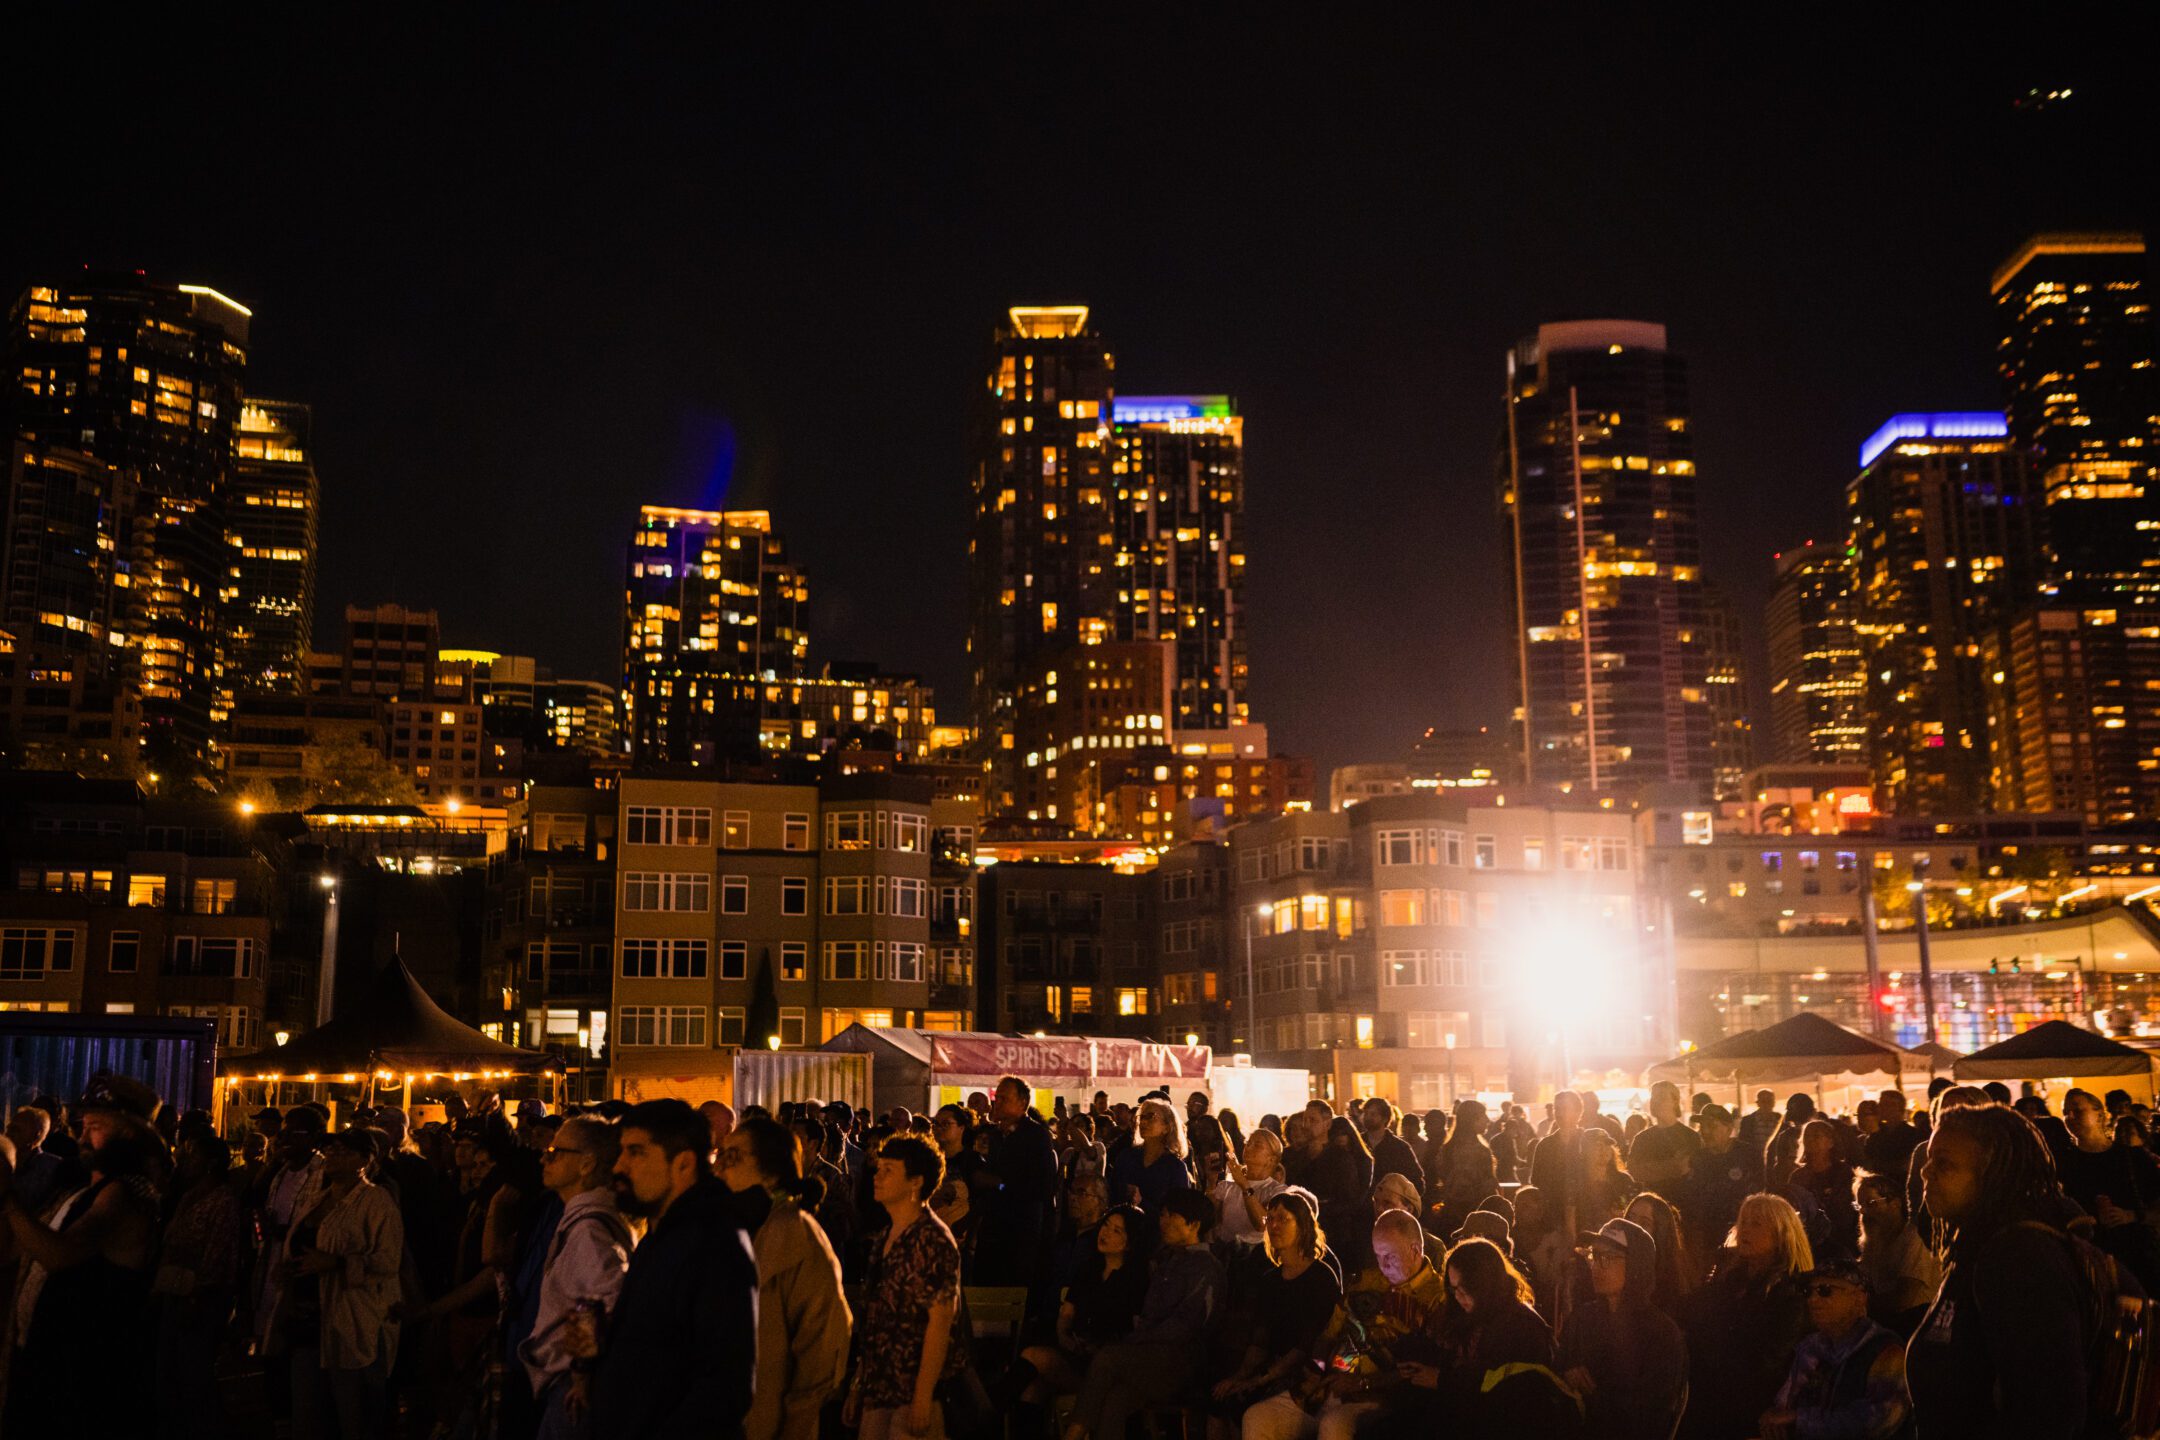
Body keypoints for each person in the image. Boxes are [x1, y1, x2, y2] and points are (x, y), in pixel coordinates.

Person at [1906, 1102, 2095, 1438]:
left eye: (1944, 1164)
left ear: (1994, 1176)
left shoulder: (2018, 1261)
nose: (1925, 1171)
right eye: (1929, 1159)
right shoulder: (1975, 1248)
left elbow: (2049, 1413)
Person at [578, 1098, 757, 1439]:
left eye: (636, 1153)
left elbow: (725, 1386)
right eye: (621, 1153)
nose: (619, 1167)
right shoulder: (660, 1237)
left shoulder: (715, 1244)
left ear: (684, 1165)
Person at [1, 1073, 164, 1431]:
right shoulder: (80, 1191)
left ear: (130, 1135)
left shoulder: (124, 1195)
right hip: (51, 1367)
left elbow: (61, 1255)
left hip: (87, 1377)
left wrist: (8, 1199)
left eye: (98, 1127)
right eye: (84, 1125)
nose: (83, 1137)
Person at [1241, 1208, 1448, 1440]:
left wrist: (1361, 1383)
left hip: (1378, 1397)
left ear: (1414, 1250)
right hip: (1325, 1386)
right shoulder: (1365, 1282)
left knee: (1334, 1426)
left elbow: (1419, 1371)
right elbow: (1329, 1334)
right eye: (1377, 1256)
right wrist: (1318, 1366)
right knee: (1257, 1417)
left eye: (1389, 1256)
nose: (1382, 1265)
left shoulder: (1436, 1298)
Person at [720, 1115, 852, 1440]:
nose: (720, 1166)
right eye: (720, 1154)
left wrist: (797, 1422)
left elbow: (823, 1347)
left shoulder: (796, 1235)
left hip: (770, 1422)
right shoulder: (730, 1230)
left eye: (733, 1156)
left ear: (771, 1173)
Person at [270, 1126, 406, 1440]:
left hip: (350, 1320)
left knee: (351, 1413)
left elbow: (388, 1260)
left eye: (344, 1151)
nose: (333, 1156)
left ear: (365, 1160)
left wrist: (339, 1263)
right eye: (331, 1150)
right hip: (307, 1320)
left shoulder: (377, 1201)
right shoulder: (317, 1199)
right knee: (306, 1411)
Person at [1064, 1186, 1226, 1440]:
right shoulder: (1167, 1261)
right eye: (1162, 1215)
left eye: (1171, 1216)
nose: (1163, 1222)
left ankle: (1074, 1433)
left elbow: (1184, 1327)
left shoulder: (1205, 1267)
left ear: (1194, 1224)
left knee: (1109, 1358)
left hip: (1180, 1361)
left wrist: (1134, 1339)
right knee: (1115, 1400)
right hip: (1150, 1356)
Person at [847, 1135, 970, 1440]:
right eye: (879, 1168)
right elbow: (876, 1317)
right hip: (880, 1384)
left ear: (915, 1182)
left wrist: (923, 1397)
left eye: (889, 1170)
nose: (878, 1176)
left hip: (913, 1386)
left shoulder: (933, 1240)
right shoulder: (886, 1237)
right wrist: (859, 1384)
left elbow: (940, 1323)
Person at [518, 1115, 632, 1440]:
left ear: (586, 1164)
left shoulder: (588, 1231)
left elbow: (605, 1297)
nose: (544, 1156)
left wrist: (583, 1369)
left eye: (555, 1151)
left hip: (573, 1388)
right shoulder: (586, 1221)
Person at [1680, 1192, 1812, 1440]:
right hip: (1711, 1403)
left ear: (1781, 1232)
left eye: (1756, 1223)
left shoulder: (1791, 1293)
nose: (1745, 1230)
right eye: (1743, 1222)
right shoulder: (1729, 1280)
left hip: (1755, 1410)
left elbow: (1768, 1361)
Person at [1212, 1190, 1341, 1423]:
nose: (1274, 1225)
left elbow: (1309, 1343)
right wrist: (1240, 1375)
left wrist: (1259, 1380)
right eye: (1270, 1219)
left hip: (1306, 1371)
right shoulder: (1270, 1279)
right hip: (1272, 1367)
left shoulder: (1321, 1277)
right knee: (1221, 1401)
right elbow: (1260, 1339)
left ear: (1302, 1225)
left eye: (1283, 1219)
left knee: (1251, 1408)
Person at [1556, 1218, 1688, 1440]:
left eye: (1606, 1258)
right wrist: (1566, 1378)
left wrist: (1594, 1395)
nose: (1596, 1266)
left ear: (1636, 1264)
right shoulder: (1582, 1318)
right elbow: (1558, 1371)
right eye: (1593, 1256)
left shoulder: (1661, 1332)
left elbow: (1650, 1416)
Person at [1016, 1204, 1153, 1415]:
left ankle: (985, 1413)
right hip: (1074, 1351)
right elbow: (1067, 1313)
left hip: (1104, 1364)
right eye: (1106, 1225)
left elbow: (1134, 1330)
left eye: (1116, 1231)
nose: (1105, 1233)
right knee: (1033, 1391)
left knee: (1035, 1355)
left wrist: (1098, 1346)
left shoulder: (1136, 1281)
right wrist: (1064, 1337)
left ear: (1130, 1242)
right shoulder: (1089, 1269)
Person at [154, 1130, 244, 1439]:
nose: (184, 1160)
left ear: (210, 1163)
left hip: (200, 1299)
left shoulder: (223, 1200)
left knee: (194, 1373)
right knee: (171, 1370)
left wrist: (197, 1296)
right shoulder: (190, 1195)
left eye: (192, 1155)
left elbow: (217, 1255)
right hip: (175, 1290)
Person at [1757, 1258, 1909, 1440]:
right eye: (1808, 1292)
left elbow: (1880, 1419)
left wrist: (1800, 1419)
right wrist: (1773, 1416)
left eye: (1825, 1291)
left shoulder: (1884, 1350)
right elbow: (1787, 1402)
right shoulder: (1811, 1347)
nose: (1813, 1300)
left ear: (1859, 1298)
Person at [2058, 1086, 2160, 1293]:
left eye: (2077, 1110)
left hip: (2137, 1262)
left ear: (2100, 1114)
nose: (2070, 1117)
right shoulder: (2062, 1164)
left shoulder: (2133, 1158)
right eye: (2065, 1112)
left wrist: (2131, 1216)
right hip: (2086, 1268)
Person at [979, 1075, 1060, 1286]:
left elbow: (1042, 1186)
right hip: (995, 1225)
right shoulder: (996, 1135)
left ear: (1022, 1102)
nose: (998, 1103)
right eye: (998, 1098)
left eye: (1005, 1098)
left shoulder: (1036, 1136)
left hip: (1022, 1228)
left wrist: (999, 1184)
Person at [1854, 1171, 1939, 1334]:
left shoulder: (1914, 1238)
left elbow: (1904, 1299)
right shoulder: (1874, 1241)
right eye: (1859, 1205)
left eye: (1871, 1203)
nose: (1863, 1212)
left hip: (1915, 1327)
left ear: (1895, 1203)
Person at [1309, 1116, 1377, 1276]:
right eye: (1335, 1134)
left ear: (1350, 1134)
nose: (1339, 1138)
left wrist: (1332, 1208)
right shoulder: (1328, 1159)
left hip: (1356, 1220)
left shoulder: (1363, 1159)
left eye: (1343, 1134)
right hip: (1334, 1219)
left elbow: (1361, 1195)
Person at [1788, 1119, 1860, 1262]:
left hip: (1842, 1238)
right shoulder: (1798, 1176)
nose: (1811, 1139)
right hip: (1809, 1241)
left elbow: (1849, 1207)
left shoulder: (1844, 1173)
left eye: (1816, 1136)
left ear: (1830, 1142)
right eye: (1807, 1136)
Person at [1110, 1095, 1195, 1213]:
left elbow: (1177, 1212)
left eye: (1151, 1117)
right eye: (1142, 1117)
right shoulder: (1126, 1157)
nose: (1143, 1122)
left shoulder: (1175, 1167)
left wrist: (1141, 1202)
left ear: (1166, 1127)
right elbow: (1111, 1195)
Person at [1434, 1099, 1500, 1240]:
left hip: (1450, 1216)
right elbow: (1488, 1189)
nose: (1487, 1120)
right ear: (1472, 1120)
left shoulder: (1448, 1149)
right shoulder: (1481, 1151)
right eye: (1483, 1116)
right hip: (1478, 1218)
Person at [1623, 1192, 1697, 1316]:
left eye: (1645, 1223)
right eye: (1630, 1217)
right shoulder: (1615, 1262)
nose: (1632, 1226)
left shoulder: (1666, 1281)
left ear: (1660, 1232)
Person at [1626, 1081, 1703, 1200]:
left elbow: (1695, 1171)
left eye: (1661, 1096)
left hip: (1685, 1203)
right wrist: (1671, 1166)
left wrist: (1651, 1169)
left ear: (1675, 1101)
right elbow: (1634, 1172)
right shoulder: (1642, 1138)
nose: (1655, 1101)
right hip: (1653, 1207)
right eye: (1653, 1097)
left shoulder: (1690, 1137)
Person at [1217, 1126, 1289, 1248]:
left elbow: (1262, 1224)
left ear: (1271, 1159)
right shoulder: (1227, 1186)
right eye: (1248, 1143)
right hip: (1225, 1253)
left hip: (1256, 1255)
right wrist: (1211, 1179)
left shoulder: (1277, 1191)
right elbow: (1212, 1222)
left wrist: (1245, 1185)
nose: (1249, 1148)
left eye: (1257, 1145)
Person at [4, 1105, 65, 1215]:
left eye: (15, 1129)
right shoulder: (4, 1162)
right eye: (8, 1128)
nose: (7, 1134)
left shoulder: (53, 1168)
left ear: (36, 1135)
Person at [1357, 1098, 1424, 1194]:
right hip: (1362, 1206)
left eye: (1373, 1114)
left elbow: (1415, 1180)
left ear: (1385, 1118)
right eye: (1366, 1113)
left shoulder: (1399, 1147)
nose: (1367, 1117)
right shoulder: (1357, 1143)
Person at [1861, 1090, 1922, 1183]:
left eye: (1885, 1104)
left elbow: (1908, 1165)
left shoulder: (1911, 1134)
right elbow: (1868, 1162)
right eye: (1880, 1104)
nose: (1879, 1108)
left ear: (1897, 1108)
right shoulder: (1876, 1134)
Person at [1739, 1089, 1782, 1157]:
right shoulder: (1747, 1121)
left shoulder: (1780, 1119)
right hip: (1754, 1160)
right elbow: (1743, 1143)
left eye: (1769, 1101)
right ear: (1758, 1103)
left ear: (1774, 1103)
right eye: (1763, 1101)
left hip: (1774, 1158)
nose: (1766, 1104)